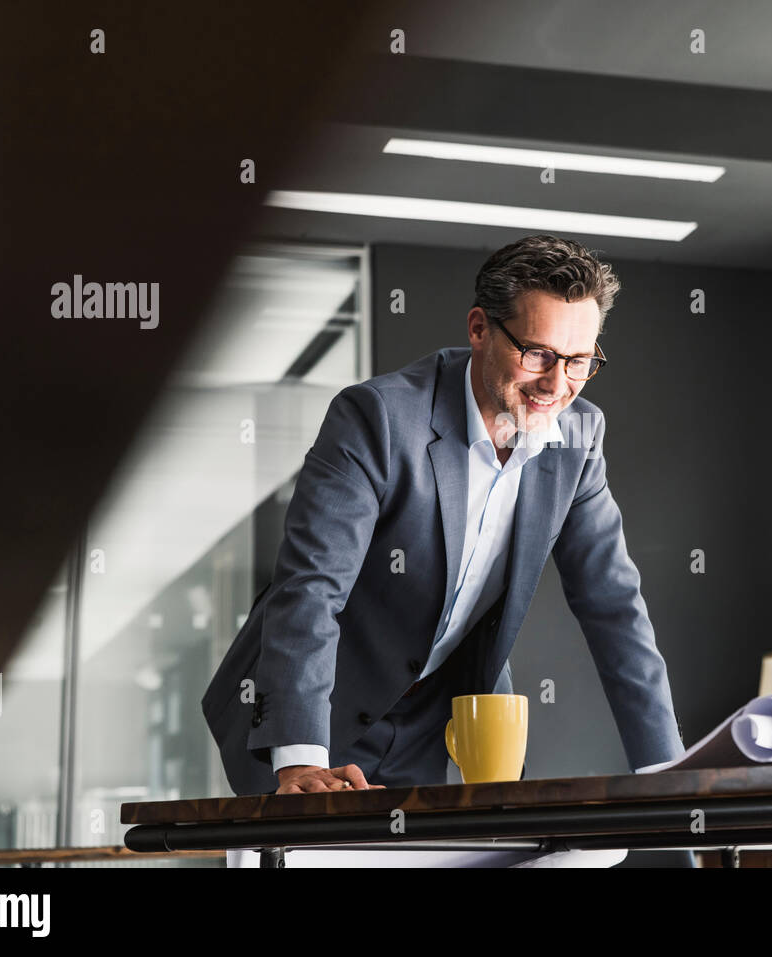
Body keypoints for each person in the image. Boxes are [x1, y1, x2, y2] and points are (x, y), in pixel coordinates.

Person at [202, 234, 684, 796]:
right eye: (538, 355)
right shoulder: (378, 417)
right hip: (315, 709)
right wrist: (301, 760)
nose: (557, 387)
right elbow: (312, 588)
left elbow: (613, 605)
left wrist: (669, 776)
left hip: (434, 720)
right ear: (480, 329)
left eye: (579, 362)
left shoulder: (578, 435)